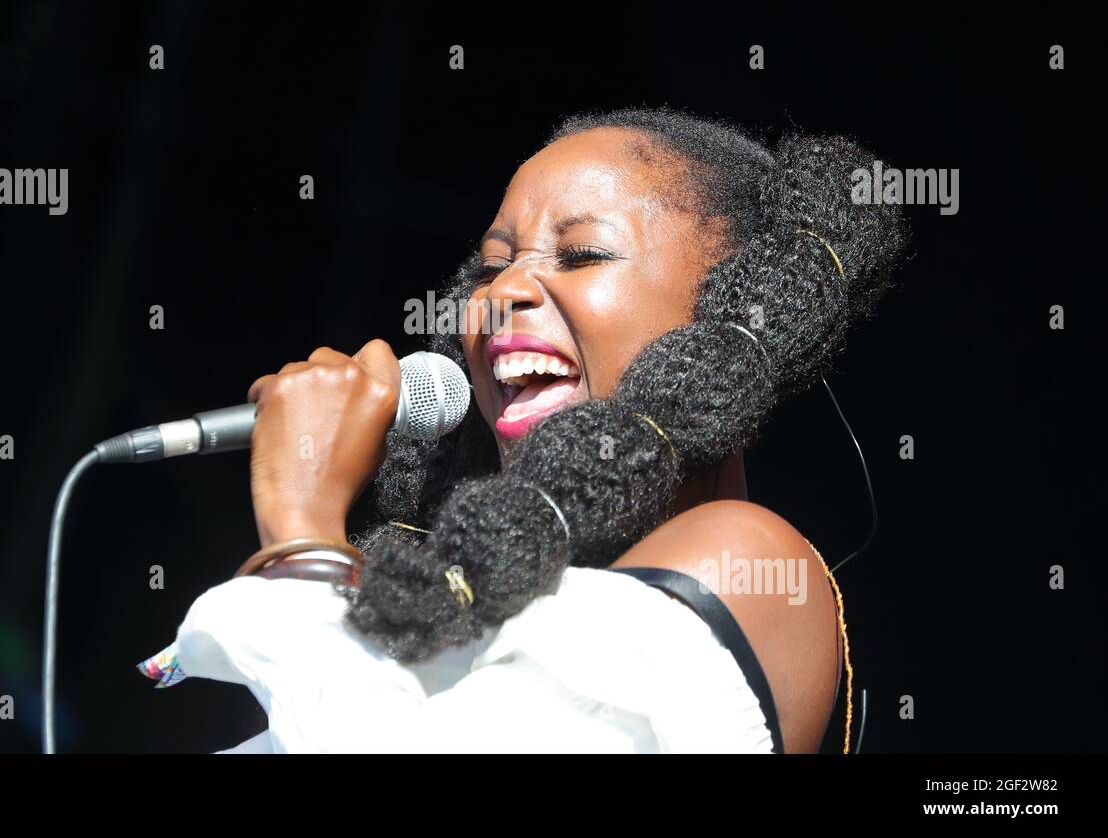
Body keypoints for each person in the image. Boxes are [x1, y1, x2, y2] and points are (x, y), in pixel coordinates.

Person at [138, 106, 908, 753]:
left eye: (580, 254)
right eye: (489, 269)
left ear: (733, 308)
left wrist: (303, 531)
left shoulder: (745, 560)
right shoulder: (456, 632)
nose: (500, 292)